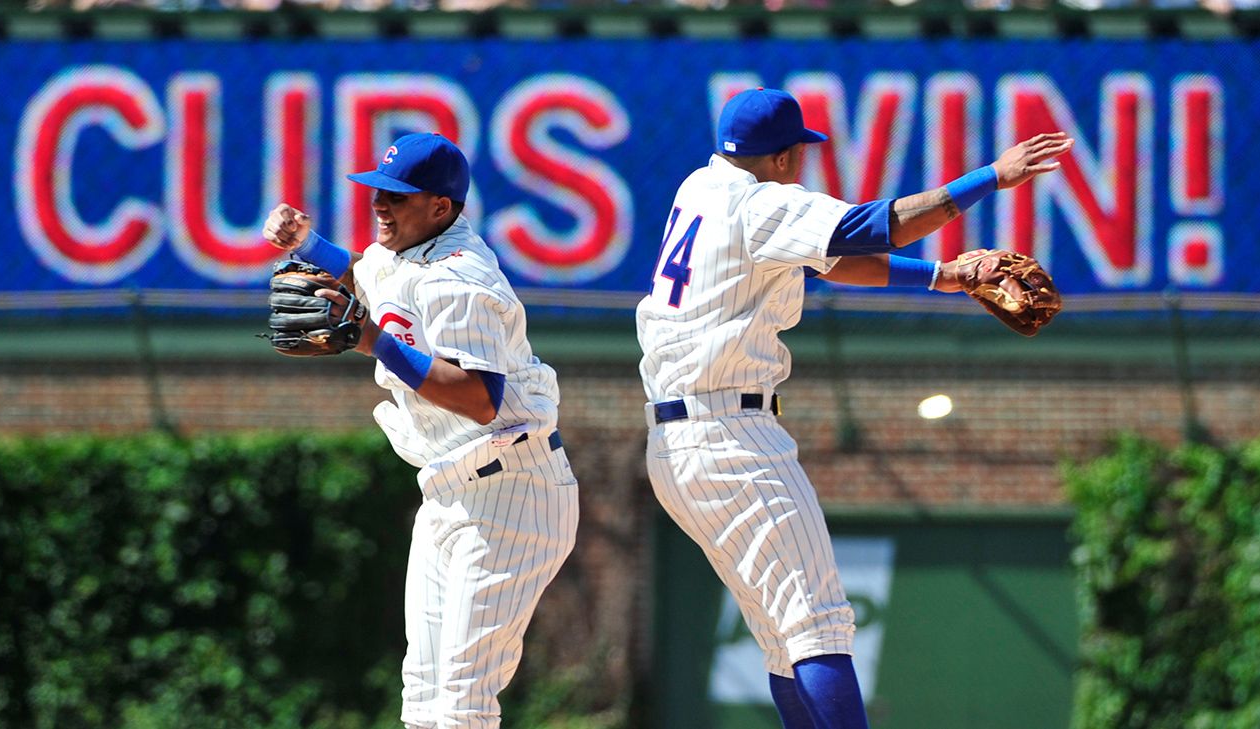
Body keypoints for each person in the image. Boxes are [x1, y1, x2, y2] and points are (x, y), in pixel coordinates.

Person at [635, 88, 1072, 729]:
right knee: (819, 622)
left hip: (680, 441)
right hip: (727, 437)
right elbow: (876, 226)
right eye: (799, 152)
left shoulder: (701, 187)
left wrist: (940, 276)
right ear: (783, 157)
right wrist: (990, 178)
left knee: (786, 634)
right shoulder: (761, 202)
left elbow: (834, 260)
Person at [262, 132, 579, 729]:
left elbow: (479, 398)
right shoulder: (406, 251)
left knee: (462, 696)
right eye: (377, 191)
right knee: (424, 693)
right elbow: (367, 274)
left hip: (512, 491)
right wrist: (307, 243)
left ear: (441, 207)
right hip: (450, 489)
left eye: (398, 196)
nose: (380, 205)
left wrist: (369, 339)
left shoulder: (463, 278)